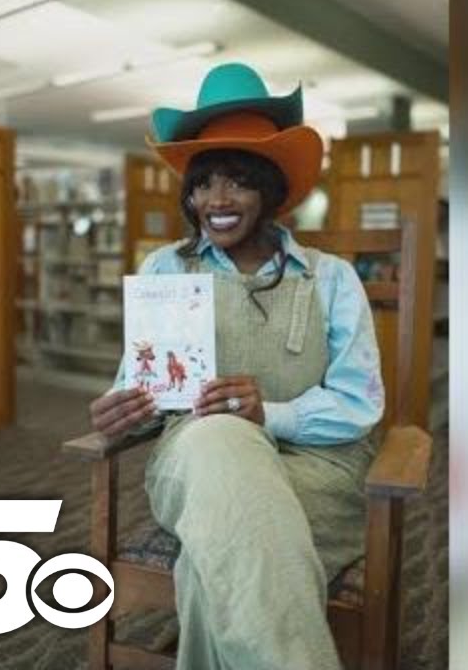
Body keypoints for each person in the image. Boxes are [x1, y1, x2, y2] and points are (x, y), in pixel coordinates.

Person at [87, 62, 384, 670]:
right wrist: (121, 410)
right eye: (203, 184)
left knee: (217, 554)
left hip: (318, 471)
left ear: (270, 192)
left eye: (238, 182)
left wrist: (268, 414)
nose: (216, 200)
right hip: (193, 459)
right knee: (218, 438)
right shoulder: (165, 269)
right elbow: (141, 383)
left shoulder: (332, 278)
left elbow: (359, 404)